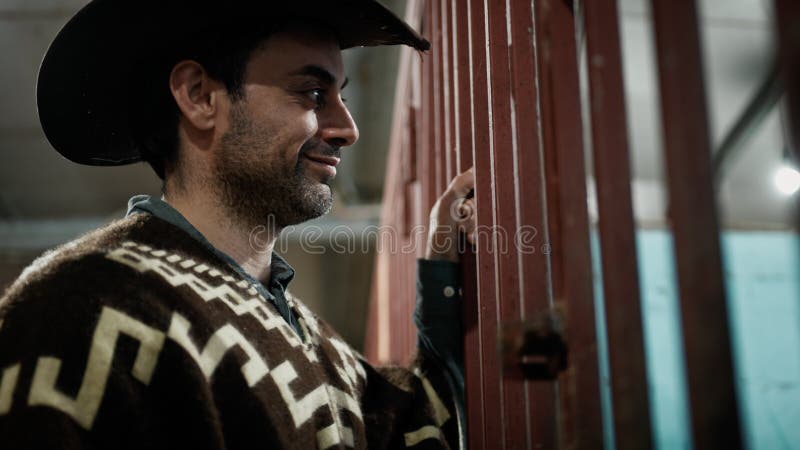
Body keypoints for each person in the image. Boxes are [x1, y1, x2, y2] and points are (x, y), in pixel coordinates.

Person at [0, 0, 477, 449]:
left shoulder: (318, 345)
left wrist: (440, 269)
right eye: (313, 93)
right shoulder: (79, 300)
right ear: (199, 96)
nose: (347, 127)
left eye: (340, 96)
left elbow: (426, 426)